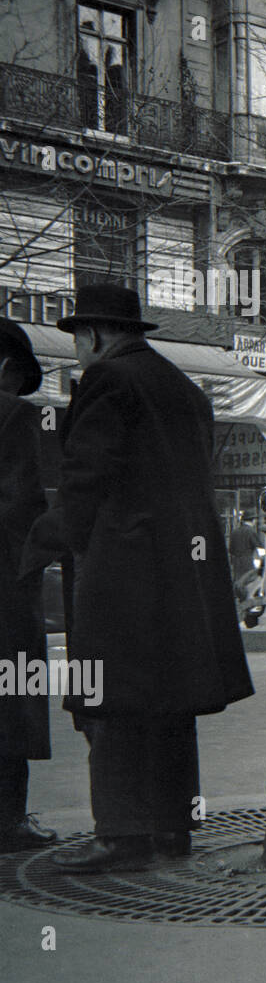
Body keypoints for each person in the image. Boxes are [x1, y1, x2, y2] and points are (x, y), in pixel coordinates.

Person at [24, 285, 254, 873]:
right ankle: (172, 829)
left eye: (78, 338)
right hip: (184, 575)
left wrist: (38, 547)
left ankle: (122, 836)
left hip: (123, 573)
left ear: (95, 335)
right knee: (169, 703)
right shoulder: (183, 387)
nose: (77, 350)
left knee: (111, 701)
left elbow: (86, 480)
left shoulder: (108, 381)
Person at [0, 321, 56, 854]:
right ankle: (8, 821)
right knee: (12, 696)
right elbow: (23, 506)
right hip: (4, 592)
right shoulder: (12, 415)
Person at [228, 512, 262, 609]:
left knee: (239, 582)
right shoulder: (251, 531)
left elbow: (231, 549)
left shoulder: (234, 532)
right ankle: (247, 604)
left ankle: (240, 601)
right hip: (248, 560)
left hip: (236, 562)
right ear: (253, 521)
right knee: (250, 581)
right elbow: (259, 547)